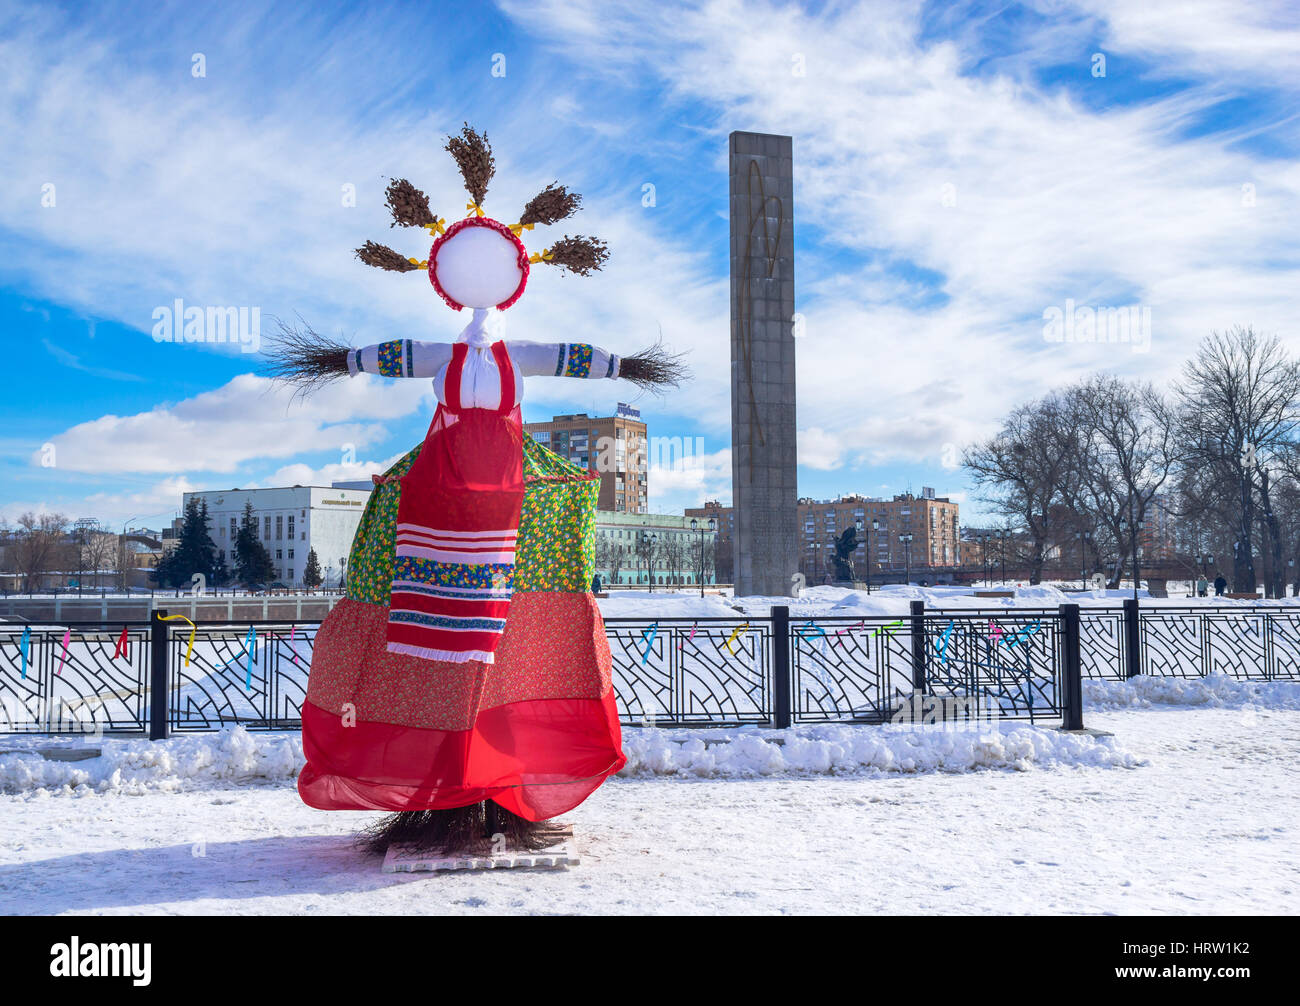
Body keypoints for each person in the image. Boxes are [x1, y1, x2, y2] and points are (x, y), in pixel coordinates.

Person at [264, 125, 686, 855]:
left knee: (508, 634)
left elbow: (571, 358)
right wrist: (339, 358)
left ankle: (498, 786)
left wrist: (627, 366)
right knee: (452, 642)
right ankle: (457, 788)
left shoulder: (509, 351)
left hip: (506, 493)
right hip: (447, 489)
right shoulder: (450, 351)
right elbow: (389, 356)